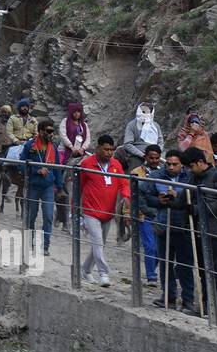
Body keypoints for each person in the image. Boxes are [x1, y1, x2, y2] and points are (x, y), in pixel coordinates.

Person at [145, 149, 199, 316]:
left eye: (174, 164)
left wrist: (179, 197)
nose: (170, 167)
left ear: (181, 164)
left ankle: (188, 299)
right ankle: (167, 296)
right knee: (165, 263)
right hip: (163, 224)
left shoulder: (190, 177)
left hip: (183, 226)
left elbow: (195, 199)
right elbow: (148, 197)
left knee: (185, 265)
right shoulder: (156, 175)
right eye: (168, 163)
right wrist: (158, 201)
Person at [183, 145, 217, 315]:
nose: (189, 170)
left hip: (216, 232)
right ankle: (205, 304)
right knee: (203, 270)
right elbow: (185, 199)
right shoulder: (193, 178)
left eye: (191, 166)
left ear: (199, 162)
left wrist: (198, 209)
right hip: (199, 231)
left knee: (215, 270)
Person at [76, 135, 129, 287]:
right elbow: (78, 187)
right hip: (90, 211)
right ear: (98, 148)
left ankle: (85, 270)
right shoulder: (86, 164)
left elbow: (123, 183)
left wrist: (126, 196)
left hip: (108, 212)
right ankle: (103, 273)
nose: (109, 153)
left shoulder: (116, 164)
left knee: (99, 245)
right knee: (98, 243)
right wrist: (75, 209)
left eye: (112, 150)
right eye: (106, 149)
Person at [21, 119, 61, 256]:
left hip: (48, 187)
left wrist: (60, 187)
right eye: (48, 131)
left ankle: (45, 246)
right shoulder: (29, 146)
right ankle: (29, 242)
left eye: (52, 131)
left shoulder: (53, 147)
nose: (51, 134)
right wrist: (36, 170)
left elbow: (57, 168)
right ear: (41, 131)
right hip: (33, 185)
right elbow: (22, 164)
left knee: (48, 216)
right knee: (31, 216)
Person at [129, 144, 164, 287]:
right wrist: (128, 213)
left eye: (157, 158)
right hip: (143, 214)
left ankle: (151, 268)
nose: (154, 161)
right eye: (151, 158)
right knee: (149, 246)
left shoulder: (164, 172)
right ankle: (151, 276)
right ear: (145, 157)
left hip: (160, 213)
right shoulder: (136, 172)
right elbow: (131, 194)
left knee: (159, 248)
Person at [57, 102, 90, 232]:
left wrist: (82, 148)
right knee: (59, 170)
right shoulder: (65, 122)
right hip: (65, 151)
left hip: (80, 153)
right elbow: (63, 135)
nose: (77, 114)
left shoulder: (84, 125)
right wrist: (72, 147)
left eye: (79, 112)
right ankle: (58, 185)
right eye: (75, 112)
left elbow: (87, 139)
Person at [119, 101, 162, 173]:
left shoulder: (155, 126)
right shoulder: (132, 125)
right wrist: (142, 155)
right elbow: (127, 144)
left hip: (154, 155)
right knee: (135, 174)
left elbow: (160, 142)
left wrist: (156, 153)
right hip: (137, 156)